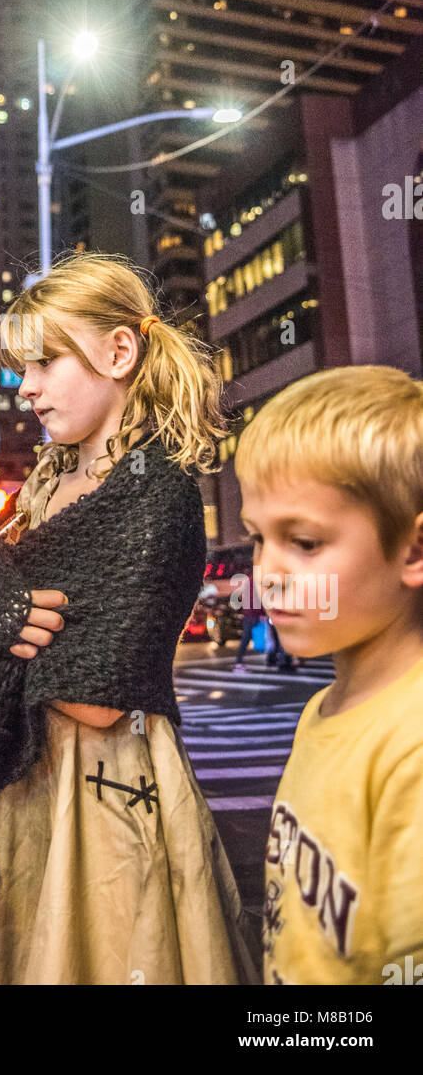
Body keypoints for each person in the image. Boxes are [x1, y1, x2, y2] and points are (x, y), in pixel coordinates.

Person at [0, 253, 259, 986]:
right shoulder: (46, 481)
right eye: (18, 370)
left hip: (99, 796)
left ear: (119, 351)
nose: (26, 388)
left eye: (44, 363)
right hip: (19, 781)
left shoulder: (151, 494)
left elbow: (95, 695)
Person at [234, 365, 423, 985]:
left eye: (306, 543)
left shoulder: (411, 746)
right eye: (259, 539)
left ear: (414, 552)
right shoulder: (325, 708)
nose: (268, 572)